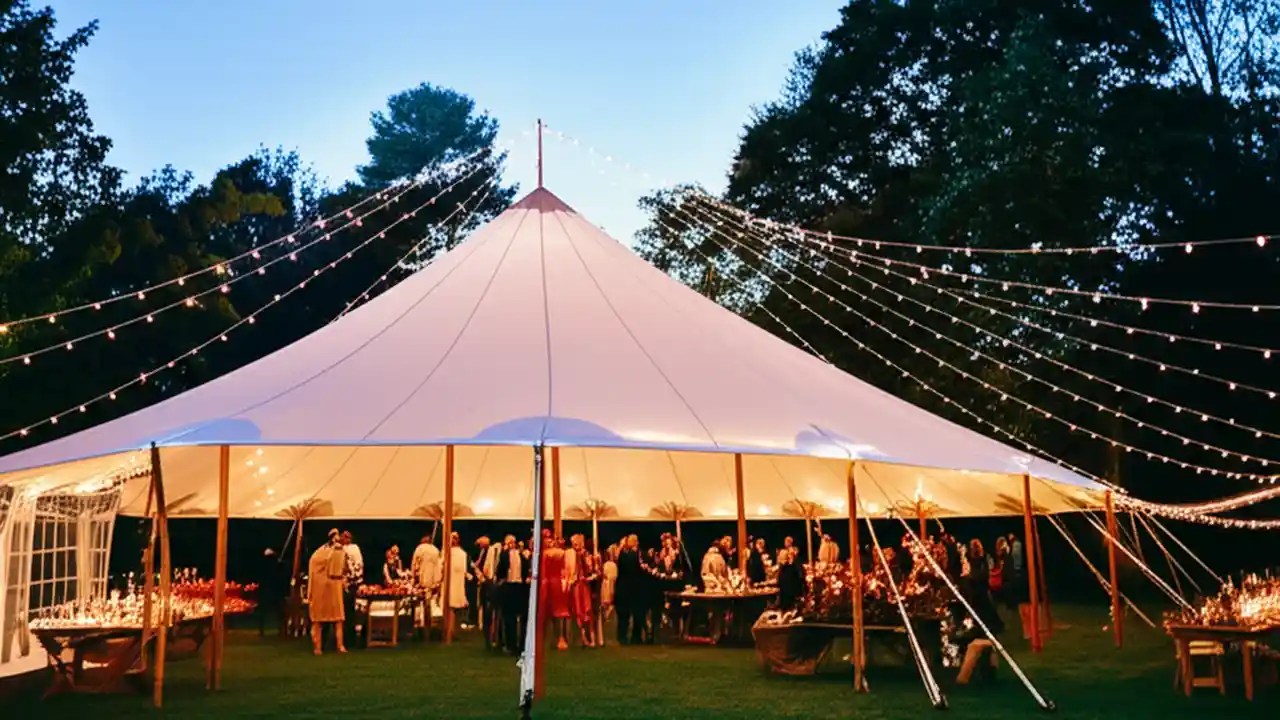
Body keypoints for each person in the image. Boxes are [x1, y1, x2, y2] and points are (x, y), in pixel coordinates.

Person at [307, 529, 347, 655]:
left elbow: (340, 569)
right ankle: (318, 647)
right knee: (319, 621)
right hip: (321, 590)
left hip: (332, 589)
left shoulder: (334, 552)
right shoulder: (320, 553)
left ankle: (339, 646)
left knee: (337, 620)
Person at [495, 534, 530, 654]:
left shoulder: (521, 555)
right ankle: (512, 644)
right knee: (510, 617)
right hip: (510, 586)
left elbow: (526, 568)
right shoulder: (505, 555)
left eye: (512, 542)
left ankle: (519, 645)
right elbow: (500, 570)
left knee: (517, 616)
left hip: (518, 587)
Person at [615, 534, 643, 645]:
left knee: (623, 615)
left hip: (623, 587)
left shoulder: (622, 554)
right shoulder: (634, 555)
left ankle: (622, 637)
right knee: (635, 614)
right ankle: (635, 637)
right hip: (632, 588)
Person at [412, 535, 441, 632]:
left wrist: (413, 577)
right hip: (433, 580)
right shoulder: (436, 550)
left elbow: (414, 564)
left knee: (421, 602)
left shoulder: (420, 548)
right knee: (428, 602)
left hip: (423, 578)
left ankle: (421, 625)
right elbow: (439, 565)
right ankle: (427, 624)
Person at [340, 531, 364, 645]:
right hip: (341, 583)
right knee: (343, 611)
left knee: (349, 610)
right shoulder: (339, 549)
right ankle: (342, 636)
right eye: (344, 537)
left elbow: (359, 565)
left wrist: (352, 577)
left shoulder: (354, 548)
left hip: (351, 584)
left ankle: (349, 637)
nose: (346, 539)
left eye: (348, 537)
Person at [600, 544, 618, 622]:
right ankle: (606, 614)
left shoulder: (610, 565)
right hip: (608, 584)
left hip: (608, 584)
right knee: (608, 601)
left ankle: (606, 614)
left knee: (608, 601)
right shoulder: (610, 565)